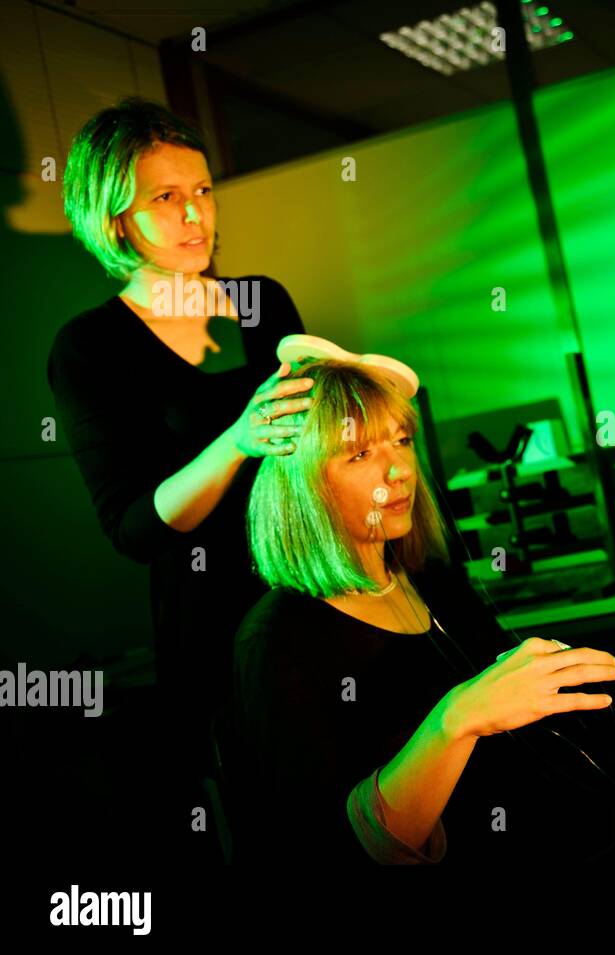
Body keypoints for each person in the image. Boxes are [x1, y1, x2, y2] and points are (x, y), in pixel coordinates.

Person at [232, 358, 615, 864]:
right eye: (360, 453)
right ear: (300, 484)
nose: (398, 469)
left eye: (401, 440)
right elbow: (329, 851)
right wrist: (455, 722)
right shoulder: (279, 638)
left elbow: (553, 713)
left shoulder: (430, 584)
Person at [47, 97, 313, 859]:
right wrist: (237, 439)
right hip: (221, 625)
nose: (196, 213)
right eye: (165, 197)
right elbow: (135, 526)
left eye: (202, 190)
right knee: (286, 833)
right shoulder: (91, 348)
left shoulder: (264, 301)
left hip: (316, 586)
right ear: (115, 218)